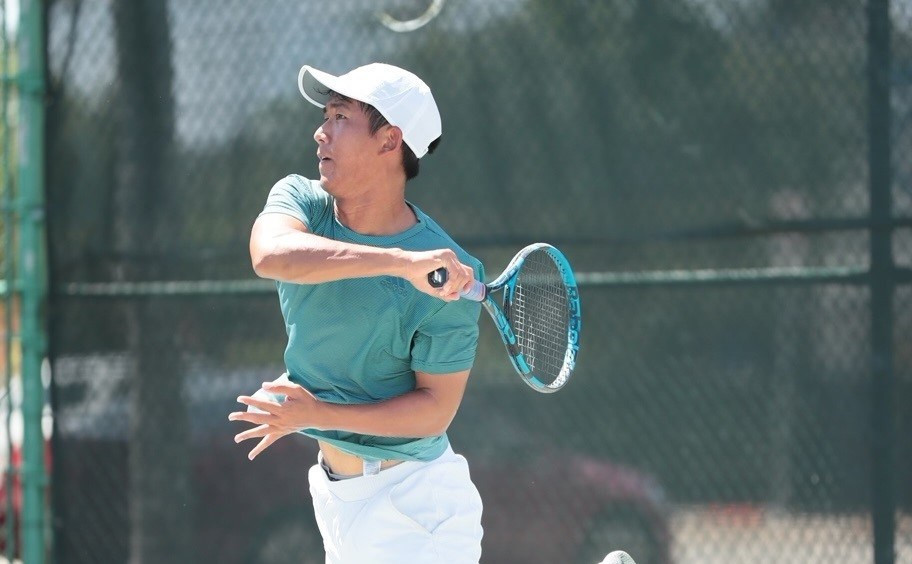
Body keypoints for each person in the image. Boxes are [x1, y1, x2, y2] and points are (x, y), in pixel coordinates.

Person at [228, 62, 485, 563]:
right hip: (337, 496)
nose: (320, 131)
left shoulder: (451, 274)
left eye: (340, 117)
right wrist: (400, 264)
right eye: (326, 115)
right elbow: (271, 255)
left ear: (390, 141)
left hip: (417, 502)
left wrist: (314, 414)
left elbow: (435, 411)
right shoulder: (300, 200)